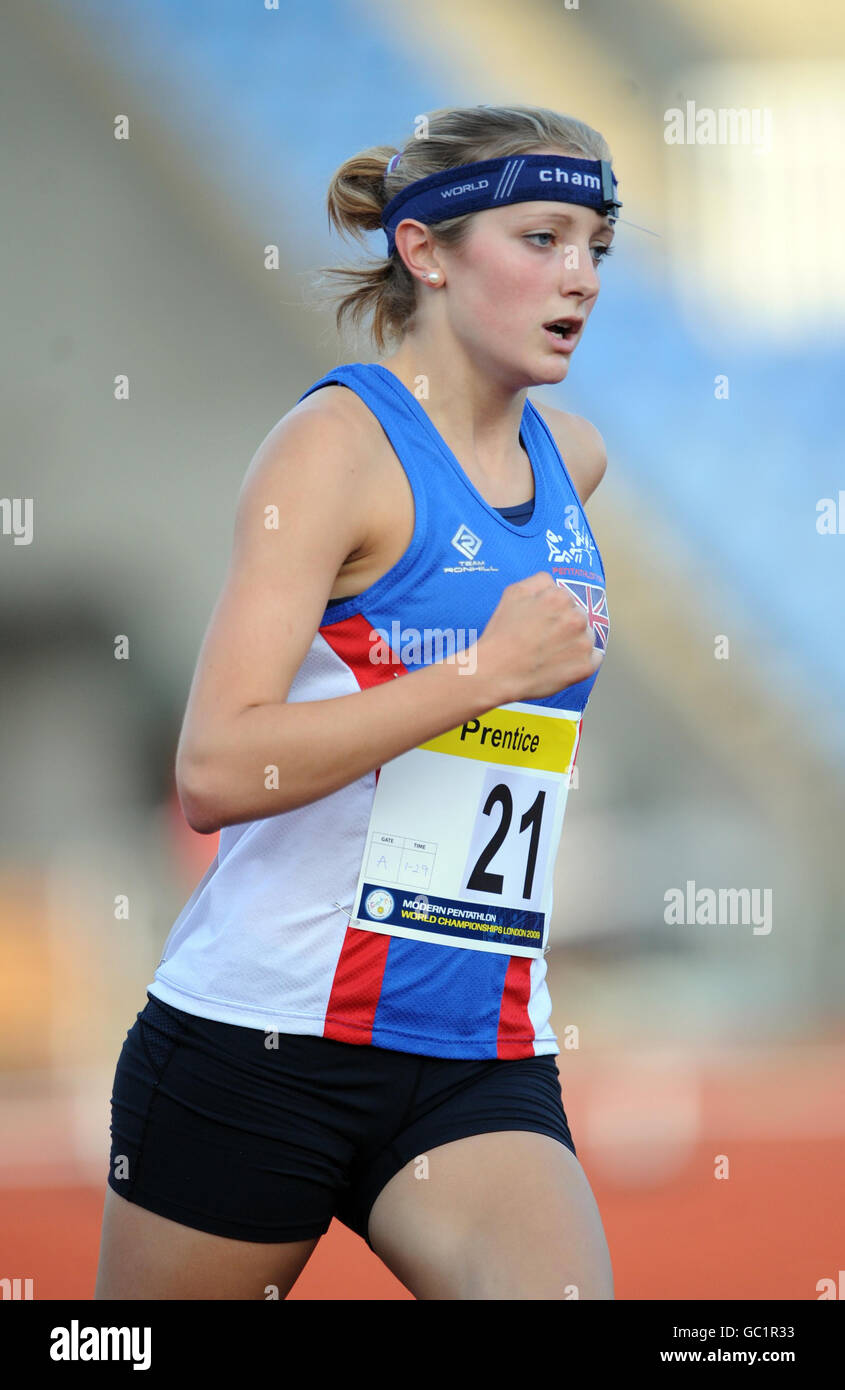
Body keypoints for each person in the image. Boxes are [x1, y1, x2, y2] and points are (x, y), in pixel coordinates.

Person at [95, 103, 617, 1301]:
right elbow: (216, 770)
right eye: (539, 238)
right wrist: (479, 674)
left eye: (595, 242)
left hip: (478, 1055)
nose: (579, 276)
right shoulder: (329, 451)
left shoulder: (570, 463)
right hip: (259, 1044)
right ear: (424, 251)